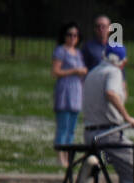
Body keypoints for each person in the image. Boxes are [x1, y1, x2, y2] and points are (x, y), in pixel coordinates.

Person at [81, 44, 134, 183]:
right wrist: (127, 117)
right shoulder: (114, 71)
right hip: (108, 133)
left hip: (90, 134)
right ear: (122, 61)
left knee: (124, 170)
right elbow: (111, 93)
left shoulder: (93, 73)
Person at [52, 23, 87, 168]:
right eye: (70, 35)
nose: (72, 38)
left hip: (77, 91)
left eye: (75, 35)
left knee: (72, 128)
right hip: (65, 89)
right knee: (63, 126)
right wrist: (74, 71)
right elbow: (55, 72)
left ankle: (68, 155)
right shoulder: (60, 51)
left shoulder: (78, 53)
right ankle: (60, 156)